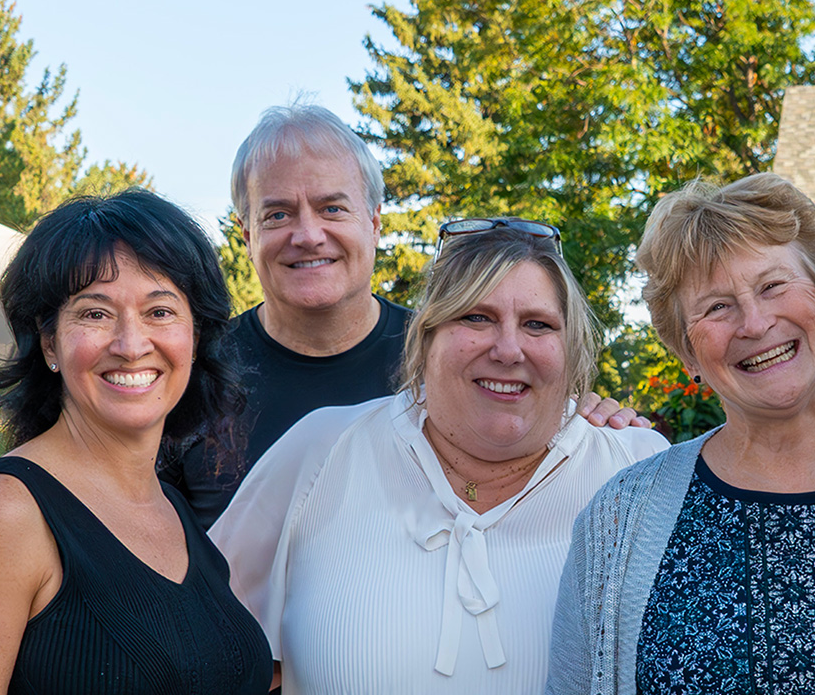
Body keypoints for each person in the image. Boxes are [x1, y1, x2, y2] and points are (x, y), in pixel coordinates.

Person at [548, 173, 815, 695]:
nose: (754, 322)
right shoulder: (620, 518)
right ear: (686, 351)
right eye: (717, 307)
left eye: (773, 286)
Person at [210, 219, 670, 693]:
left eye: (538, 324)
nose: (508, 349)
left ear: (571, 348)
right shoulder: (322, 449)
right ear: (427, 336)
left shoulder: (638, 475)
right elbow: (205, 645)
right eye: (476, 318)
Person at [164, 103, 638, 529]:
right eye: (278, 215)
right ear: (247, 235)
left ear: (374, 223)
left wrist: (588, 420)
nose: (308, 235)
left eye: (332, 208)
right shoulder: (191, 371)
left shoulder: (457, 356)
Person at [0, 191, 273, 693]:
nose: (130, 345)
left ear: (195, 337)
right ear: (49, 342)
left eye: (160, 311)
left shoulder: (171, 508)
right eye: (95, 314)